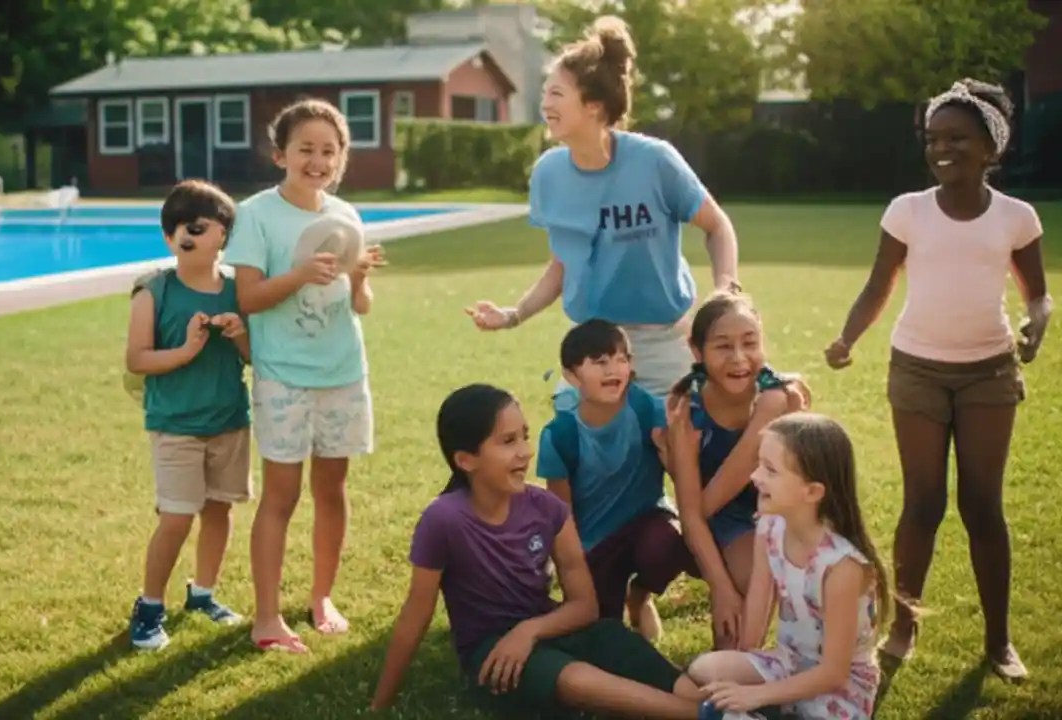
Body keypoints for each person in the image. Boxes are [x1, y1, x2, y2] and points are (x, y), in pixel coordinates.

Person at [824, 78, 1050, 680]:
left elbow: (1040, 296)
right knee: (922, 503)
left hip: (989, 373)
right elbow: (879, 285)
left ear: (990, 146)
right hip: (918, 369)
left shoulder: (1016, 217)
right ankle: (903, 626)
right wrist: (848, 337)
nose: (942, 148)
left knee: (983, 507)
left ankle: (999, 642)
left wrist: (1037, 322)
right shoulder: (908, 210)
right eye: (933, 138)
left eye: (957, 138)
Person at [370, 384, 709, 719]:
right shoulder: (442, 520)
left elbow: (584, 606)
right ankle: (701, 715)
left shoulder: (547, 508)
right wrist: (380, 704)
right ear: (465, 460)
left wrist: (529, 631)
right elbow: (416, 615)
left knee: (617, 640)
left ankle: (722, 706)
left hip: (547, 627)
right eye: (507, 441)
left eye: (524, 436)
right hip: (492, 652)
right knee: (573, 679)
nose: (525, 451)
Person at [466, 14, 740, 398]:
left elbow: (717, 226)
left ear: (593, 106)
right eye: (545, 93)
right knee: (580, 445)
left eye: (556, 94)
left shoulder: (655, 161)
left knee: (676, 449)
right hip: (591, 346)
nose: (545, 104)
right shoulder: (549, 174)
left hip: (662, 343)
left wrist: (726, 291)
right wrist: (513, 315)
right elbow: (564, 264)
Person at [226, 98, 386, 653]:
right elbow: (248, 297)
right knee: (281, 496)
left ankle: (322, 597)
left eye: (328, 151)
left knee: (332, 490)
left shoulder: (345, 217)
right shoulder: (255, 215)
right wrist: (297, 275)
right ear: (281, 154)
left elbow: (358, 305)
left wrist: (360, 278)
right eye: (306, 150)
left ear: (341, 158)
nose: (317, 161)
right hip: (283, 377)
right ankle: (267, 617)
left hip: (342, 371)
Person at [688, 413, 889, 720]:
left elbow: (834, 673)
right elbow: (758, 599)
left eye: (770, 470)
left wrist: (755, 694)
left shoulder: (842, 567)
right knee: (706, 668)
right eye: (759, 464)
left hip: (839, 688)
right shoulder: (770, 527)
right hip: (789, 662)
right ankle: (772, 707)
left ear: (812, 492)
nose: (755, 477)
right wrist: (743, 667)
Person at [124, 180, 253, 650]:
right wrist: (184, 351)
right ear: (167, 237)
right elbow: (137, 359)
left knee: (219, 509)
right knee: (177, 518)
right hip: (175, 425)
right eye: (178, 228)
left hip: (229, 422)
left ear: (224, 235)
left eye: (199, 227)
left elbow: (256, 355)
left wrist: (240, 333)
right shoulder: (153, 291)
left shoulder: (240, 290)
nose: (187, 236)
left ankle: (203, 594)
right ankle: (150, 607)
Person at [660, 291, 806, 650]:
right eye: (723, 346)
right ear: (696, 352)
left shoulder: (777, 399)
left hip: (780, 511)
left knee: (775, 570)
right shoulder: (687, 413)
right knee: (749, 578)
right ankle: (730, 673)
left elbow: (697, 509)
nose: (739, 358)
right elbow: (696, 517)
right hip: (725, 519)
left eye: (750, 343)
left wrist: (689, 497)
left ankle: (745, 668)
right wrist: (722, 591)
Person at [535, 320, 681, 641]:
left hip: (648, 520)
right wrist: (575, 581)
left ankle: (640, 596)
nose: (614, 368)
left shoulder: (649, 411)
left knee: (666, 547)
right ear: (572, 376)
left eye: (622, 358)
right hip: (594, 542)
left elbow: (683, 477)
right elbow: (563, 519)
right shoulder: (560, 436)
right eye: (600, 361)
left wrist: (667, 449)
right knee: (604, 632)